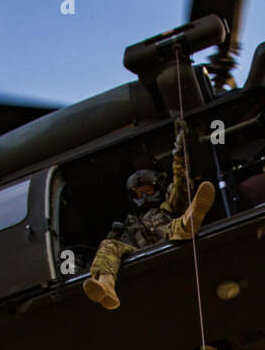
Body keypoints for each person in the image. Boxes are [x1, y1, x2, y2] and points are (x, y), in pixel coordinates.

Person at [83, 122, 216, 310]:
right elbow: (117, 250)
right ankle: (106, 286)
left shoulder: (166, 207)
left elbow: (180, 182)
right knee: (108, 245)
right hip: (141, 253)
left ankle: (191, 219)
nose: (144, 197)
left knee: (176, 224)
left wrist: (179, 150)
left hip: (170, 236)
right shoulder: (129, 224)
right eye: (139, 194)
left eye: (147, 191)